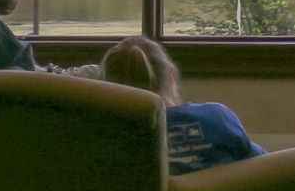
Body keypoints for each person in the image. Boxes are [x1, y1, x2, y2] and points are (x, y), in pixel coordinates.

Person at [100, 35, 265, 176]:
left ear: (107, 86)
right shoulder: (217, 118)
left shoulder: (102, 137)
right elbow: (265, 168)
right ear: (172, 75)